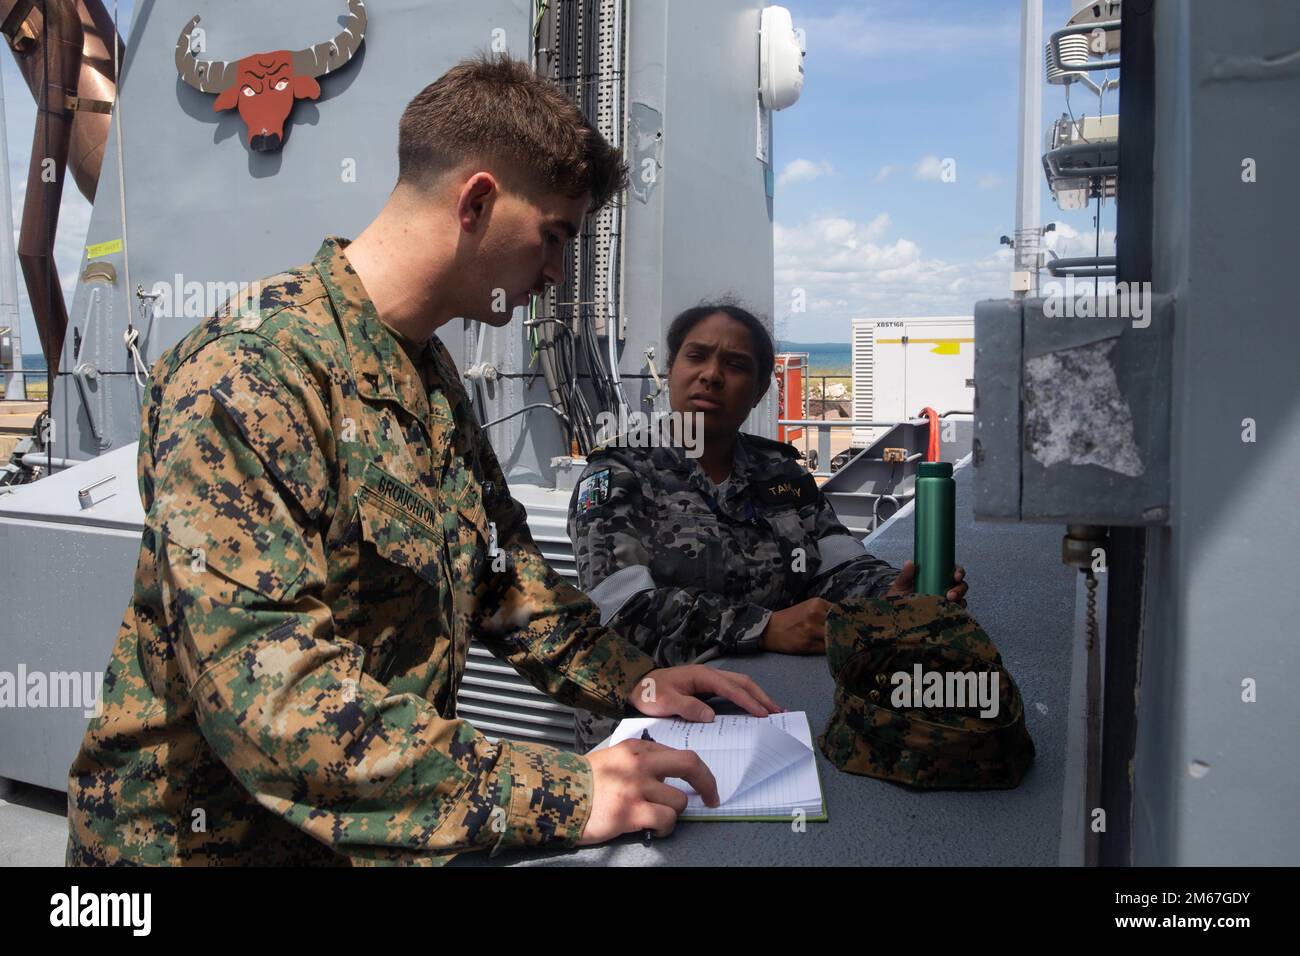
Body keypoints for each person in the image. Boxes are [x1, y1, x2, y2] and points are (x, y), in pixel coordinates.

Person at [66, 55, 781, 867]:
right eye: (554, 236)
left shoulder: (429, 376)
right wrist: (570, 791)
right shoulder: (254, 369)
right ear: (476, 201)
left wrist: (640, 680)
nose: (555, 273)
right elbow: (275, 705)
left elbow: (507, 581)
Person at [567, 303, 966, 747]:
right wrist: (765, 626)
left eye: (736, 365)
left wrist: (891, 594)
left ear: (759, 391)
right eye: (696, 357)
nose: (711, 375)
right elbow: (622, 611)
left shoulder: (780, 472)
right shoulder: (618, 475)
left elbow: (836, 562)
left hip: (766, 707)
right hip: (644, 726)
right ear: (670, 371)